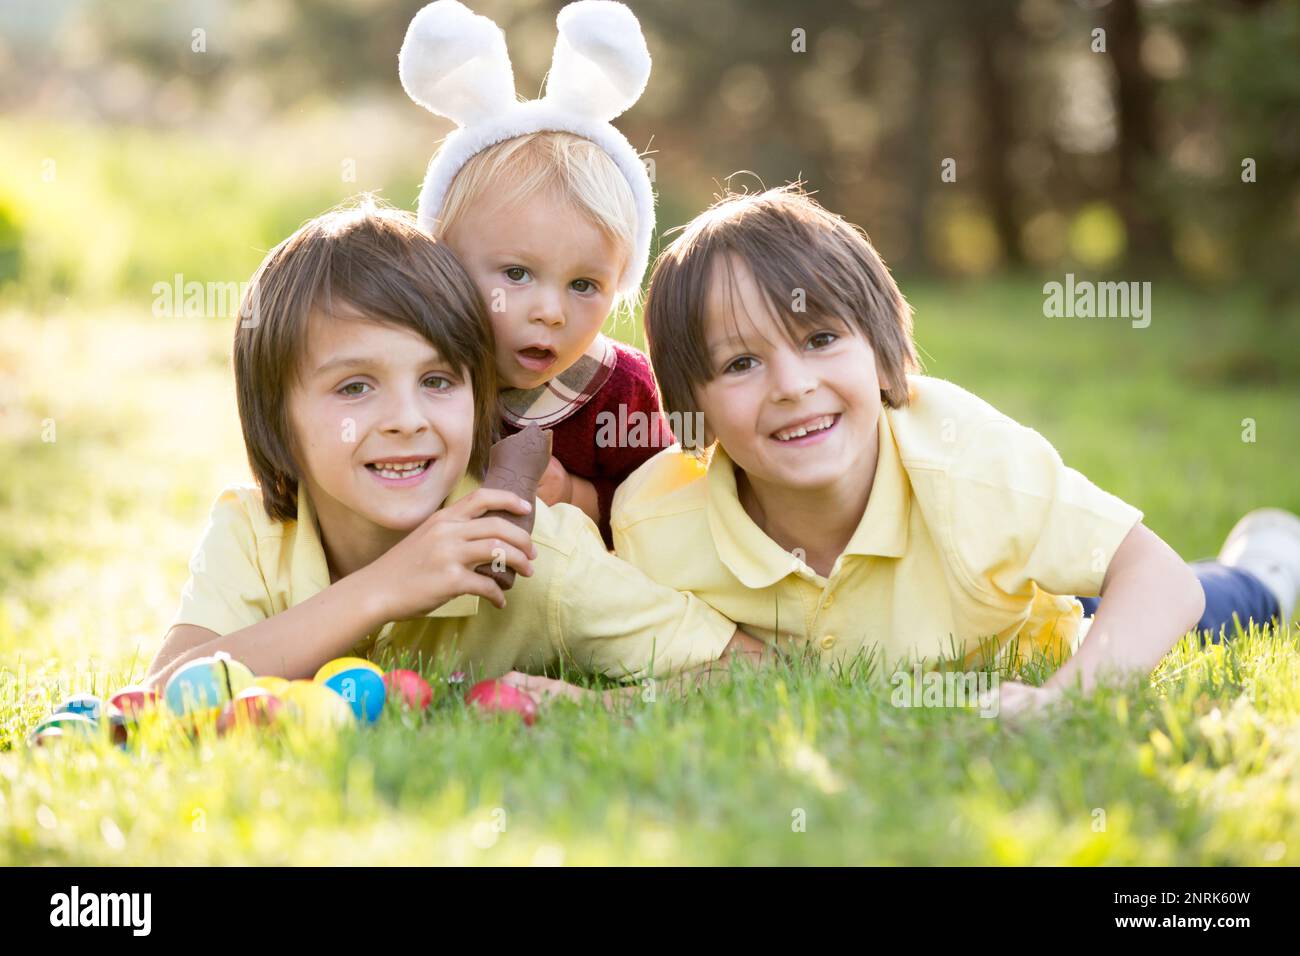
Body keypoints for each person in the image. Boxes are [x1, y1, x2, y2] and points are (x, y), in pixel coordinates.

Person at [604, 185, 1300, 719]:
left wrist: (1064, 700)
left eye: (820, 340)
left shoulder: (969, 466)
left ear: (882, 357)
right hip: (964, 586)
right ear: (692, 407)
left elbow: (1161, 579)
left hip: (1026, 609)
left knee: (1203, 606)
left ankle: (1266, 568)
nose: (792, 386)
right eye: (739, 364)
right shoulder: (655, 528)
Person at [146, 201, 754, 691]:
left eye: (437, 381)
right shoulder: (252, 533)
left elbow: (751, 666)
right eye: (355, 387)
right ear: (276, 420)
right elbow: (163, 695)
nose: (407, 419)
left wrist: (592, 708)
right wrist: (384, 585)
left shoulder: (533, 548)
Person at [398, 0, 674, 546]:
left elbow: (664, 510)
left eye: (583, 285)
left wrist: (572, 494)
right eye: (517, 274)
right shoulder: (410, 370)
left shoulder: (621, 392)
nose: (550, 311)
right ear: (444, 263)